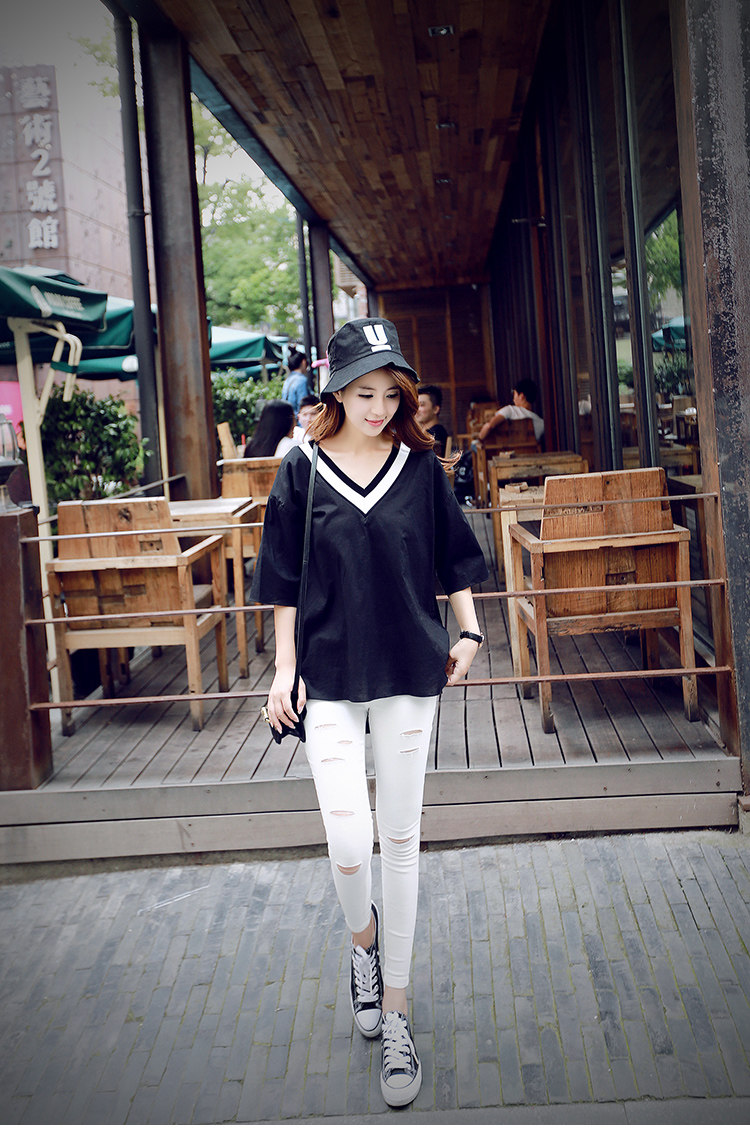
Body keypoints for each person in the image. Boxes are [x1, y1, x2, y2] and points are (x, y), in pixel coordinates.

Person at [251, 316, 488, 1107]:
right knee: (350, 841)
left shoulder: (420, 467)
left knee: (401, 839)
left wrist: (469, 629)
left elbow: (452, 555)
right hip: (326, 674)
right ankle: (365, 946)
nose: (381, 406)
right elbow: (281, 580)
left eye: (392, 392)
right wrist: (284, 668)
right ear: (335, 393)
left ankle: (397, 1009)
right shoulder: (301, 469)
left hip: (409, 668)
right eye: (365, 393)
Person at [477, 378, 544, 443]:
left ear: (521, 396)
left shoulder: (510, 410)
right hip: (528, 450)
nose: (513, 399)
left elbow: (489, 426)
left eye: (514, 394)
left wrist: (479, 439)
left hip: (503, 450)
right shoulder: (541, 423)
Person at [416, 384, 449, 456]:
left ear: (435, 409)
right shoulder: (425, 434)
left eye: (422, 405)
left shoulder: (436, 434)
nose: (416, 410)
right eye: (416, 405)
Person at [282, 350, 311, 414]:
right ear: (303, 362)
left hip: (288, 417)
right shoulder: (301, 380)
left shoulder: (287, 380)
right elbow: (304, 406)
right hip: (298, 418)